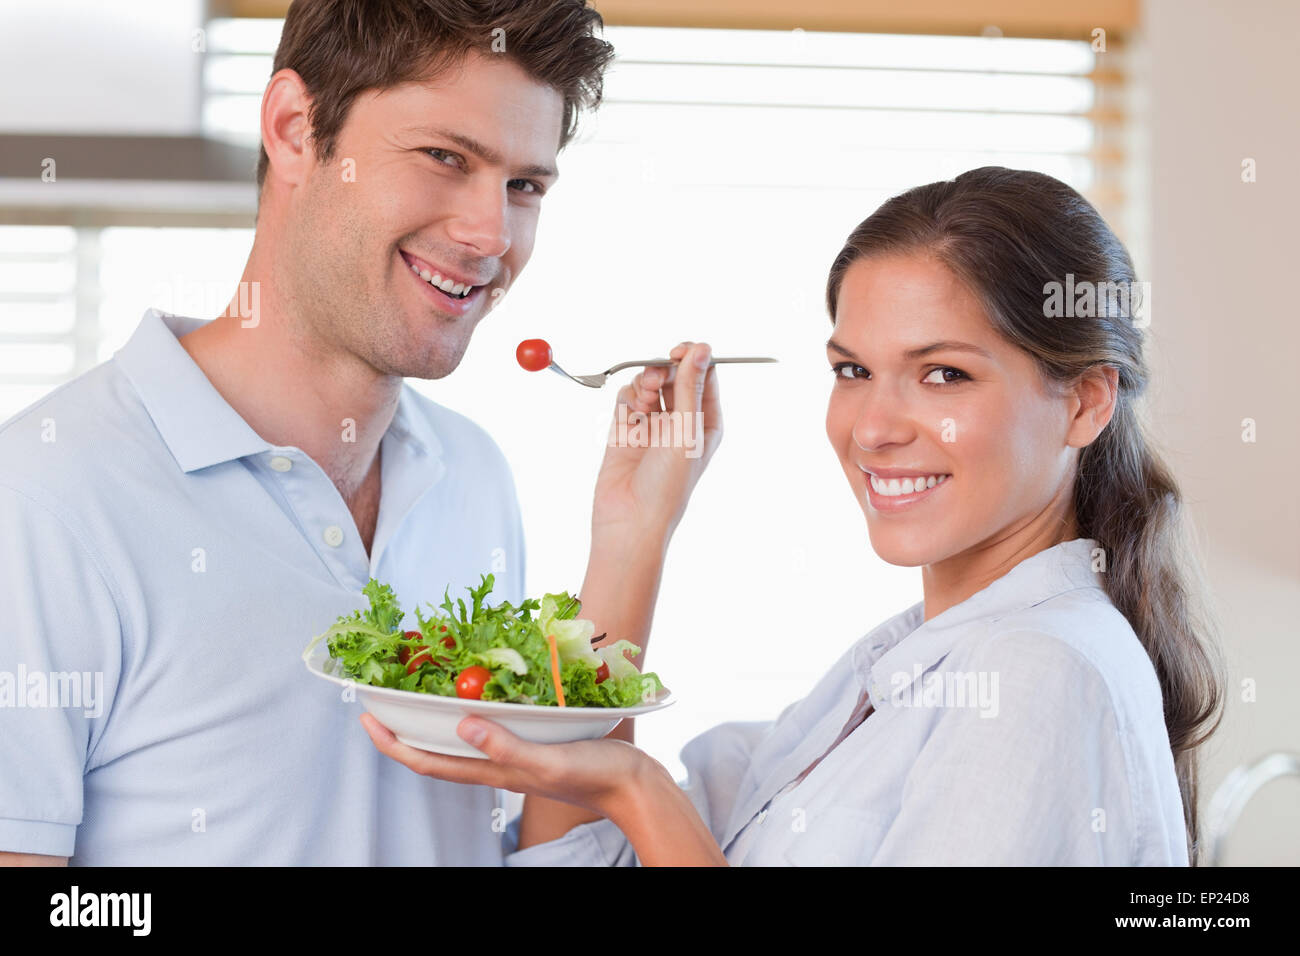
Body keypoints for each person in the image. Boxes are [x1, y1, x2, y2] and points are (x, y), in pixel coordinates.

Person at [0, 0, 718, 865]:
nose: (490, 234)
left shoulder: (471, 475)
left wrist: (631, 541)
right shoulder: (44, 500)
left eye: (524, 186)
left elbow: (551, 843)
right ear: (295, 128)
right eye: (446, 157)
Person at [364, 166, 1228, 866]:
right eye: (853, 371)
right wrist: (632, 534)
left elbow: (637, 826)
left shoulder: (1037, 674)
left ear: (1083, 403)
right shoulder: (898, 667)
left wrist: (640, 790)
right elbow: (580, 862)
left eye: (943, 375)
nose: (876, 428)